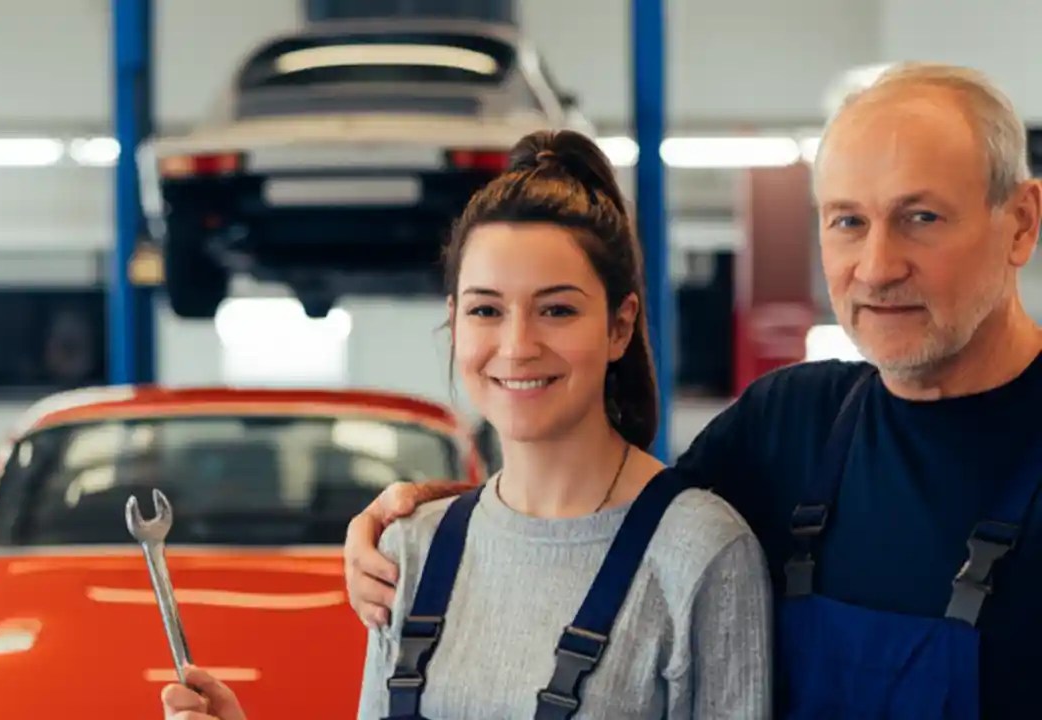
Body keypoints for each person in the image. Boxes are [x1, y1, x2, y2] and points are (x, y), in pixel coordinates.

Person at [344, 62, 1042, 719]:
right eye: (848, 221)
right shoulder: (790, 427)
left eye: (922, 217)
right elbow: (599, 522)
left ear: (1022, 223)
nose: (878, 266)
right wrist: (427, 520)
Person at [163, 130, 773, 718]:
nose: (516, 346)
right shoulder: (412, 549)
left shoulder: (700, 553)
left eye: (556, 310)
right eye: (487, 309)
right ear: (455, 322)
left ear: (619, 326)